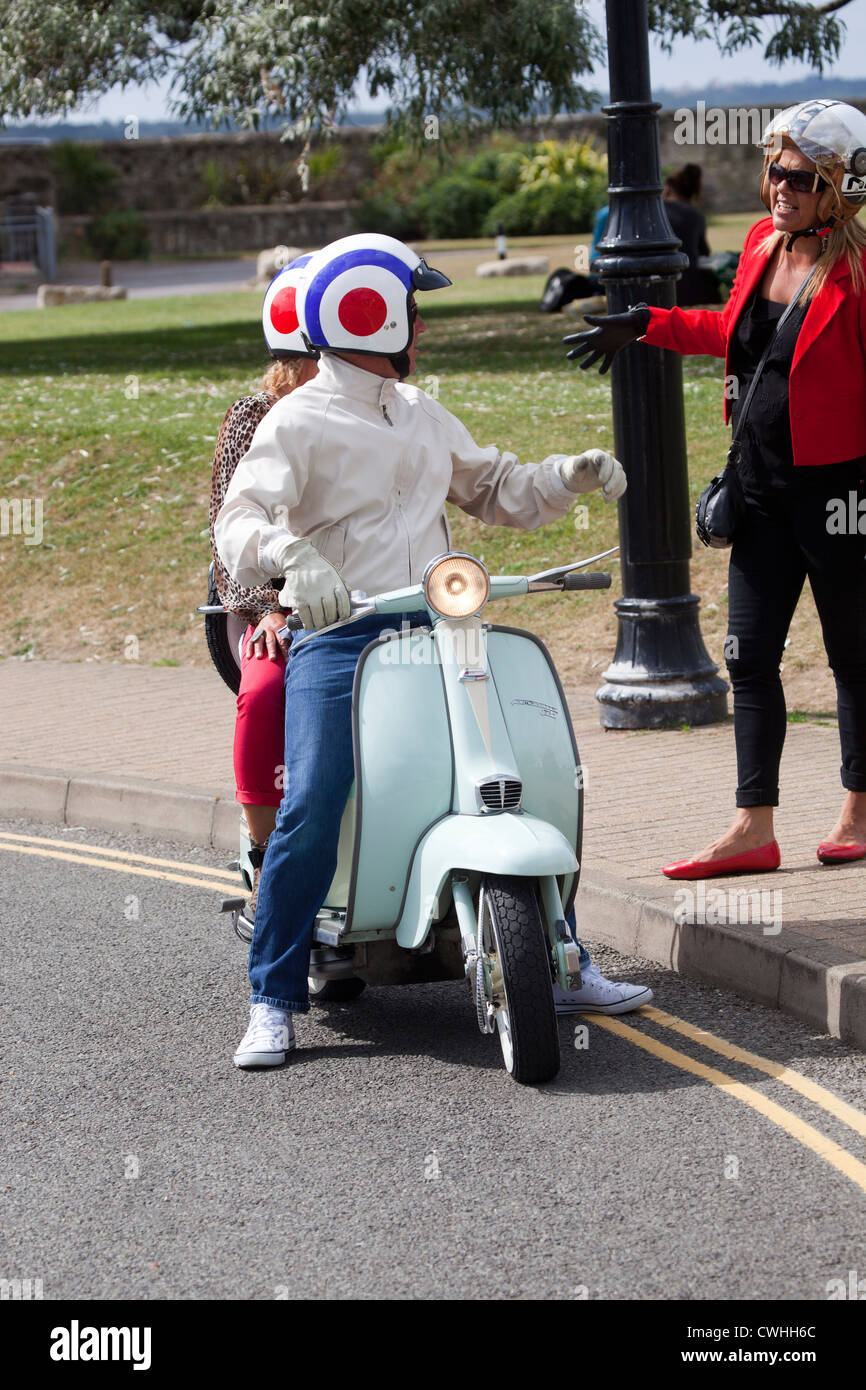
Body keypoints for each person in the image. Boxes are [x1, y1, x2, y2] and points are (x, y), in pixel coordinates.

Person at [215, 231, 654, 1067]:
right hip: (342, 637)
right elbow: (240, 522)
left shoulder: (419, 414)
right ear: (376, 317)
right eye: (413, 311)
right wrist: (292, 558)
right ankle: (271, 995)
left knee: (521, 777)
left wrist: (568, 473)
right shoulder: (298, 421)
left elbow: (494, 488)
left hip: (442, 628)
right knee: (314, 796)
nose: (421, 329)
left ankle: (559, 958)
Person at [564, 99, 866, 879]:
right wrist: (647, 321)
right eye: (773, 169)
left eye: (799, 175)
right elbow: (732, 334)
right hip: (760, 490)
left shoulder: (861, 272)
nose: (778, 187)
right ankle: (752, 827)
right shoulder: (765, 245)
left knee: (854, 656)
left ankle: (860, 811)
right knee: (749, 657)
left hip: (842, 495)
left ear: (840, 185)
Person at [209, 255, 319, 938]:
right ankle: (263, 853)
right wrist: (270, 607)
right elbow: (233, 535)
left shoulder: (378, 409)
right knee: (268, 689)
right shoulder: (253, 417)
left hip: (363, 598)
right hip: (265, 603)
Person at [662, 164, 721, 307]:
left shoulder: (657, 211)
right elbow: (703, 253)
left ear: (668, 188)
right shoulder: (695, 215)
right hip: (692, 290)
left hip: (661, 286)